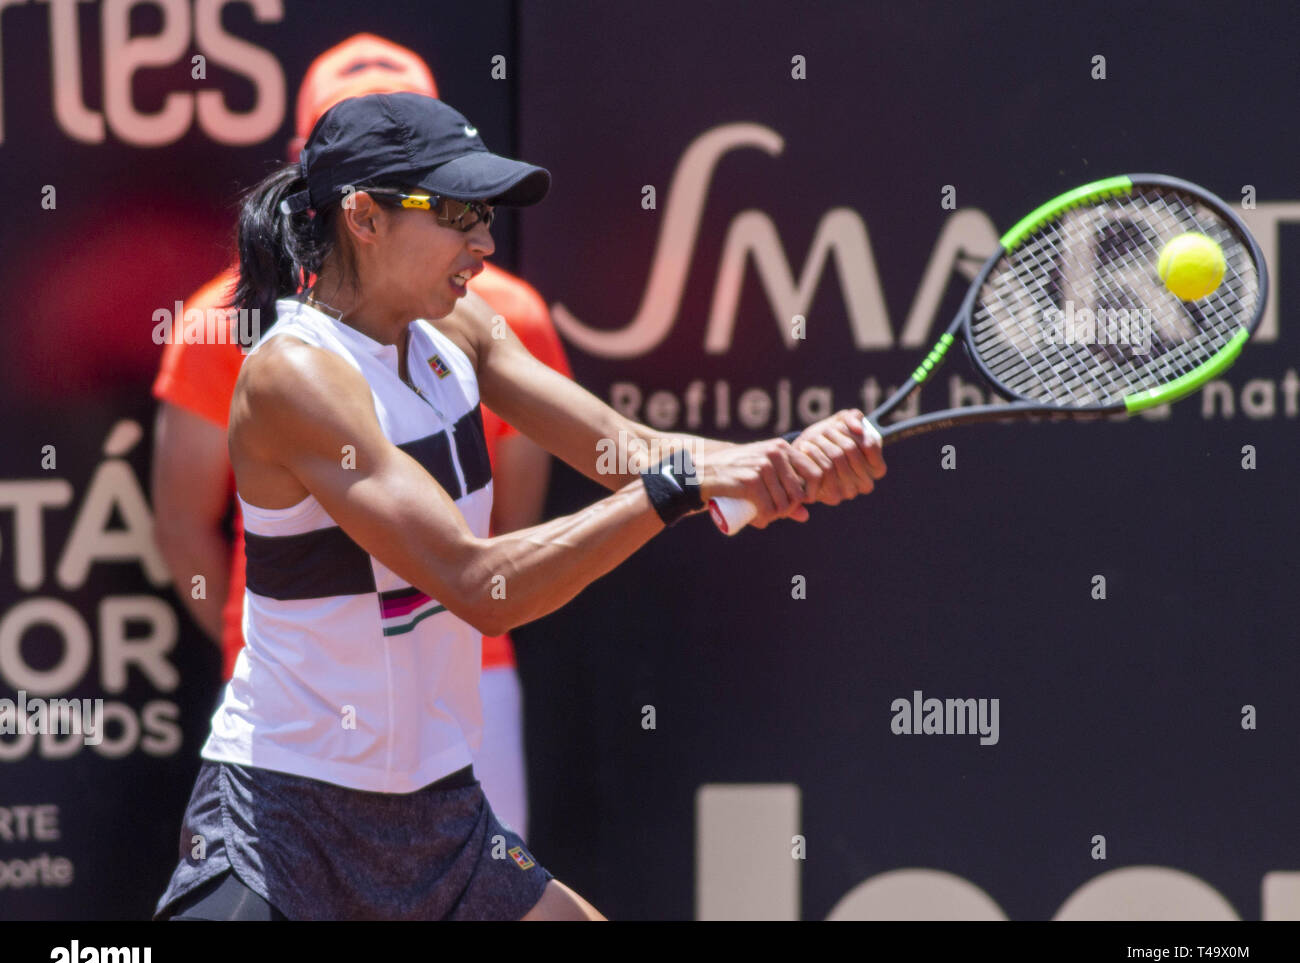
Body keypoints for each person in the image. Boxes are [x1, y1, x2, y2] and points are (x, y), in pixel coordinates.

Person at [154, 91, 886, 921]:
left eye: (487, 215)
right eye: (460, 211)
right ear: (362, 216)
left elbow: (627, 452)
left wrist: (781, 459)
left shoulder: (465, 327)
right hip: (286, 820)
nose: (485, 241)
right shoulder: (297, 375)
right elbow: (479, 586)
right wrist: (680, 491)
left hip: (439, 812)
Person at [150, 34, 567, 839]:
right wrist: (282, 641)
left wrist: (703, 477)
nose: (476, 240)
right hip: (294, 711)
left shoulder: (499, 316)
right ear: (332, 186)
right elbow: (180, 523)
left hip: (466, 680)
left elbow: (504, 533)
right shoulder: (222, 326)